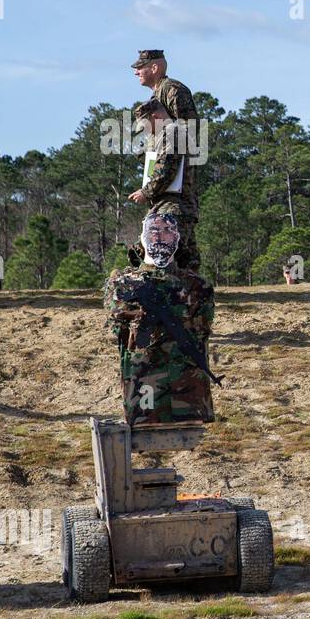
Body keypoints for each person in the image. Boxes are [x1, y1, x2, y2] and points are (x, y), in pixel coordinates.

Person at [103, 206, 216, 425]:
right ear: (142, 239)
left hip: (188, 395)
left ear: (177, 238)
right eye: (153, 230)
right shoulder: (122, 283)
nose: (159, 235)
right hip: (143, 391)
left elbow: (202, 330)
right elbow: (121, 323)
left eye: (167, 230)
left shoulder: (198, 286)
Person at [132, 50, 202, 271]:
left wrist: (152, 186)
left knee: (165, 243)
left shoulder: (172, 90)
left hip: (175, 190)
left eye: (140, 67)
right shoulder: (158, 95)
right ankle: (190, 292)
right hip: (168, 189)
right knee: (182, 249)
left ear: (155, 68)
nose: (136, 72)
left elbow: (185, 136)